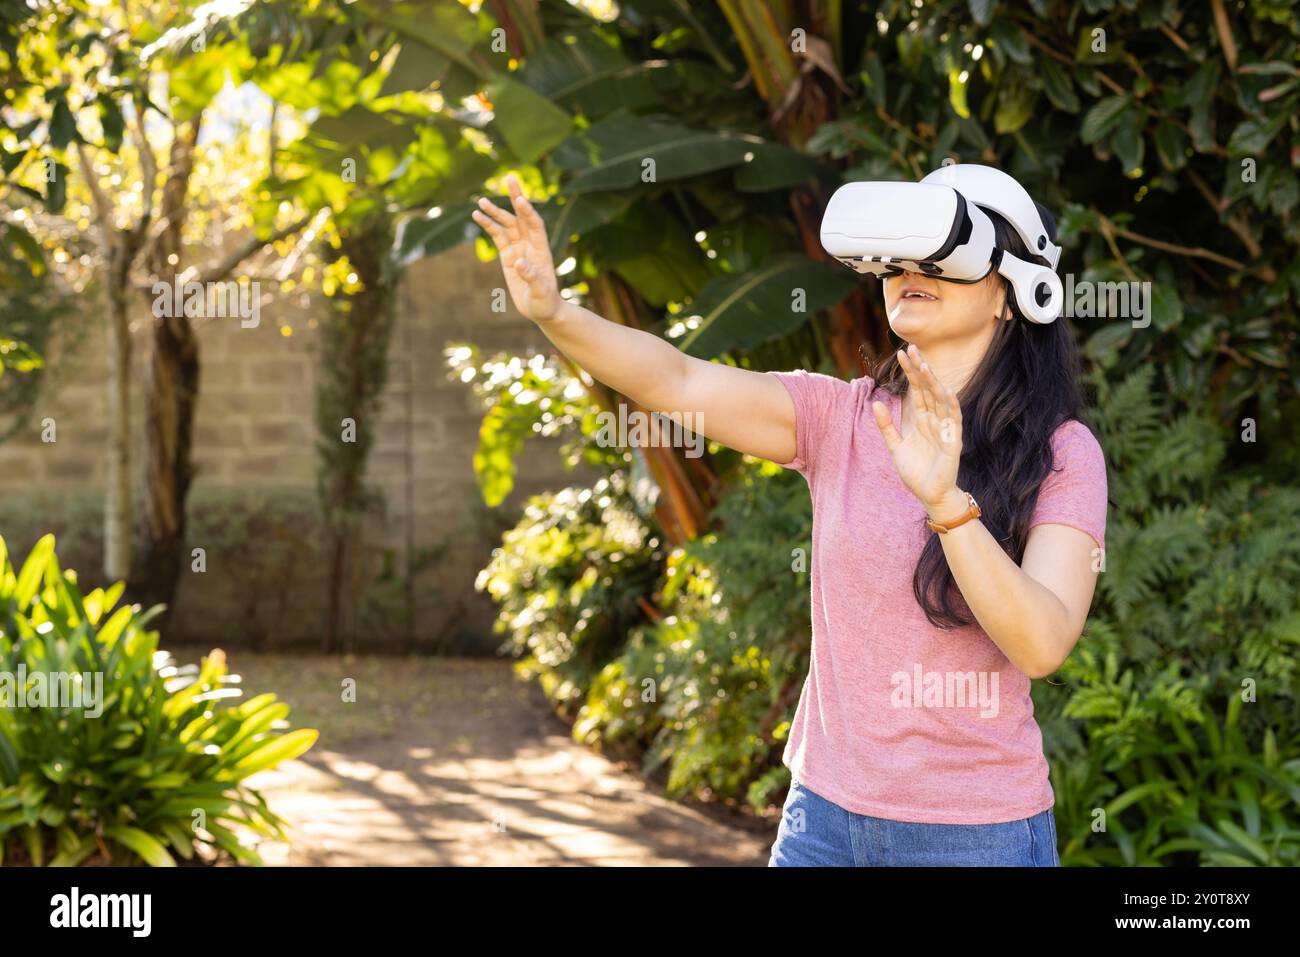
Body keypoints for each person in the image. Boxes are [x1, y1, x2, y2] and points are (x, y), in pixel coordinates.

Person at [472, 168, 1107, 867]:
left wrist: (946, 505)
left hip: (972, 834)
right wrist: (554, 312)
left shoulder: (1062, 454)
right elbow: (675, 380)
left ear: (1013, 295)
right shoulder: (841, 419)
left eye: (941, 256)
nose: (907, 273)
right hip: (823, 824)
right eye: (897, 260)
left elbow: (1043, 644)